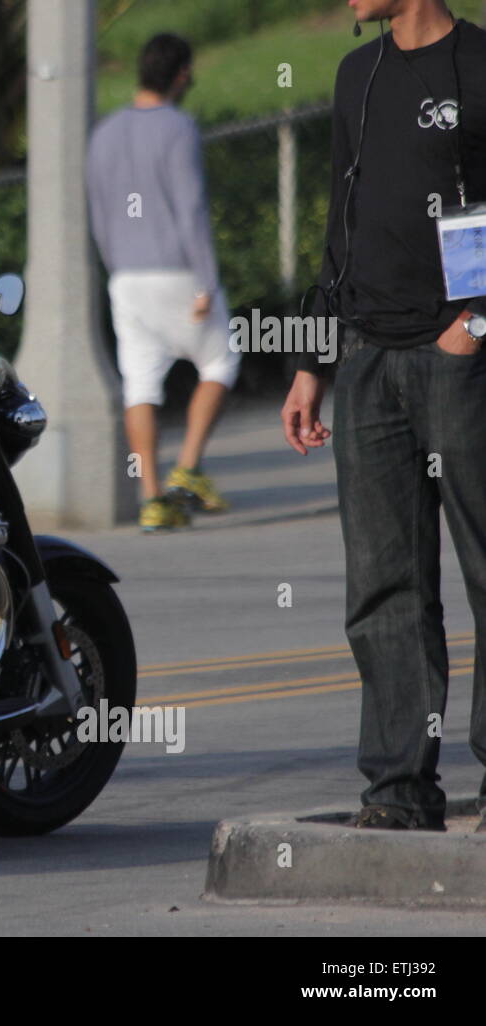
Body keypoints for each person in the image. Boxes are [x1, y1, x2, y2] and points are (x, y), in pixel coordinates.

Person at [282, 0, 486, 831]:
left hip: (458, 357)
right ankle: (400, 788)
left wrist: (471, 326)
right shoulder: (354, 75)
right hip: (367, 356)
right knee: (383, 587)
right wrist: (310, 360)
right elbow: (340, 228)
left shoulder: (480, 65)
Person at [86, 33, 241, 533]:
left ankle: (152, 498)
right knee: (221, 357)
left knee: (140, 382)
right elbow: (191, 208)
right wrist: (207, 281)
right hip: (177, 267)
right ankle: (189, 467)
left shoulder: (103, 132)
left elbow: (99, 212)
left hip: (126, 276)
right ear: (180, 75)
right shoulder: (179, 128)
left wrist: (115, 268)